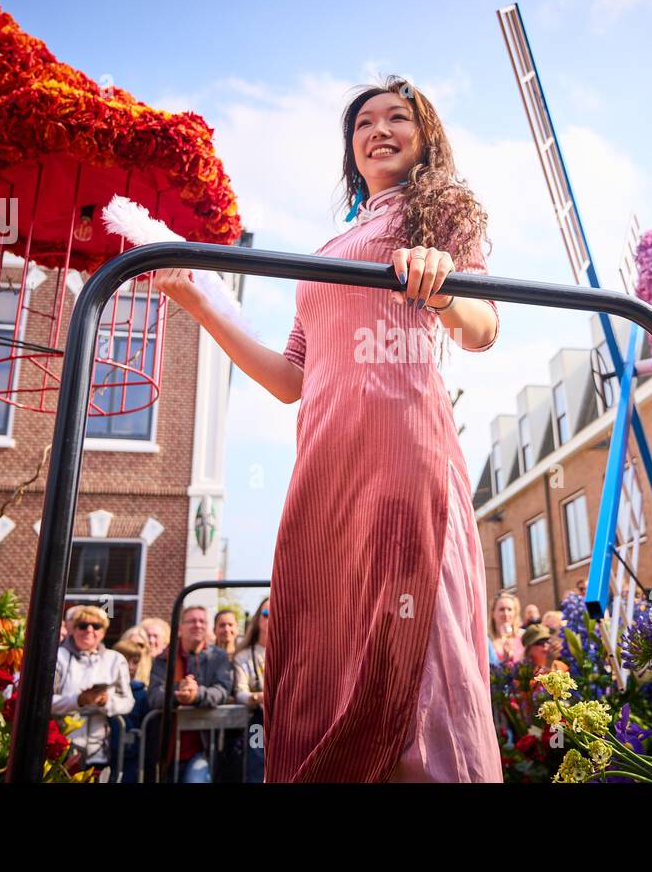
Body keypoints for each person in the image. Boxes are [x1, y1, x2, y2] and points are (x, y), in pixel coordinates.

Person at [154, 76, 501, 782]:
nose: (378, 128)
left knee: (416, 648)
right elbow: (289, 378)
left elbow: (484, 328)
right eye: (363, 121)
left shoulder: (439, 212)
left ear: (424, 134)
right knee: (326, 643)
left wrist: (445, 286)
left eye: (397, 117)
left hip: (402, 448)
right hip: (324, 463)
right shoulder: (329, 246)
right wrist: (202, 305)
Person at [148, 604, 235, 783]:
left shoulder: (218, 657)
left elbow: (222, 690)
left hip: (203, 747)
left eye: (202, 621)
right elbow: (154, 695)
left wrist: (197, 695)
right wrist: (178, 692)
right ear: (179, 628)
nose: (198, 625)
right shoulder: (164, 658)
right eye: (192, 621)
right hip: (167, 749)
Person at [52, 605, 134, 778]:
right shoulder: (58, 656)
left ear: (103, 632)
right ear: (72, 630)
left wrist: (105, 701)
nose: (89, 630)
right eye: (82, 625)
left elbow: (128, 701)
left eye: (96, 626)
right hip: (62, 745)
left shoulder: (115, 659)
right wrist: (79, 700)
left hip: (101, 749)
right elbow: (46, 701)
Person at [230, 597, 268, 783]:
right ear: (258, 619)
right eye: (266, 614)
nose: (270, 618)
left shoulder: (293, 651)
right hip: (258, 723)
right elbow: (240, 692)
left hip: (290, 722)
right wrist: (258, 697)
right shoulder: (245, 656)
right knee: (257, 771)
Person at [112, 638, 151, 782]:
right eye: (124, 661)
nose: (130, 667)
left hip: (131, 757)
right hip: (106, 754)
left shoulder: (141, 693)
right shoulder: (104, 689)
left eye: (134, 662)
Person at [490, 593, 524, 666]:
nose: (506, 613)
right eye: (501, 609)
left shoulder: (524, 636)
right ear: (493, 613)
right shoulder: (487, 641)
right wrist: (504, 660)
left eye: (509, 609)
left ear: (515, 612)